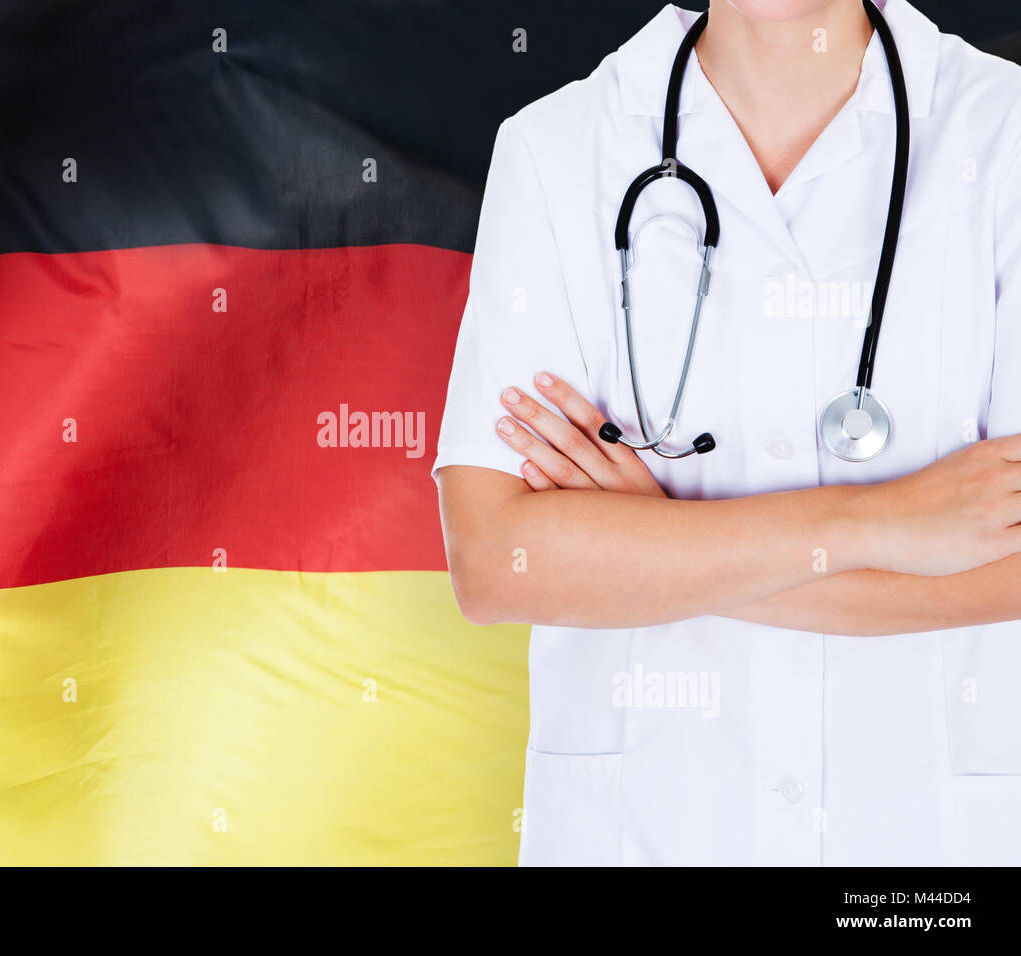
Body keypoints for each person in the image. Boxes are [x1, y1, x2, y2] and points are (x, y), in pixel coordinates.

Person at [434, 0, 1021, 865]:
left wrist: (651, 543)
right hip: (650, 832)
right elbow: (495, 562)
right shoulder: (555, 148)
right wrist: (883, 522)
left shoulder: (1004, 135)